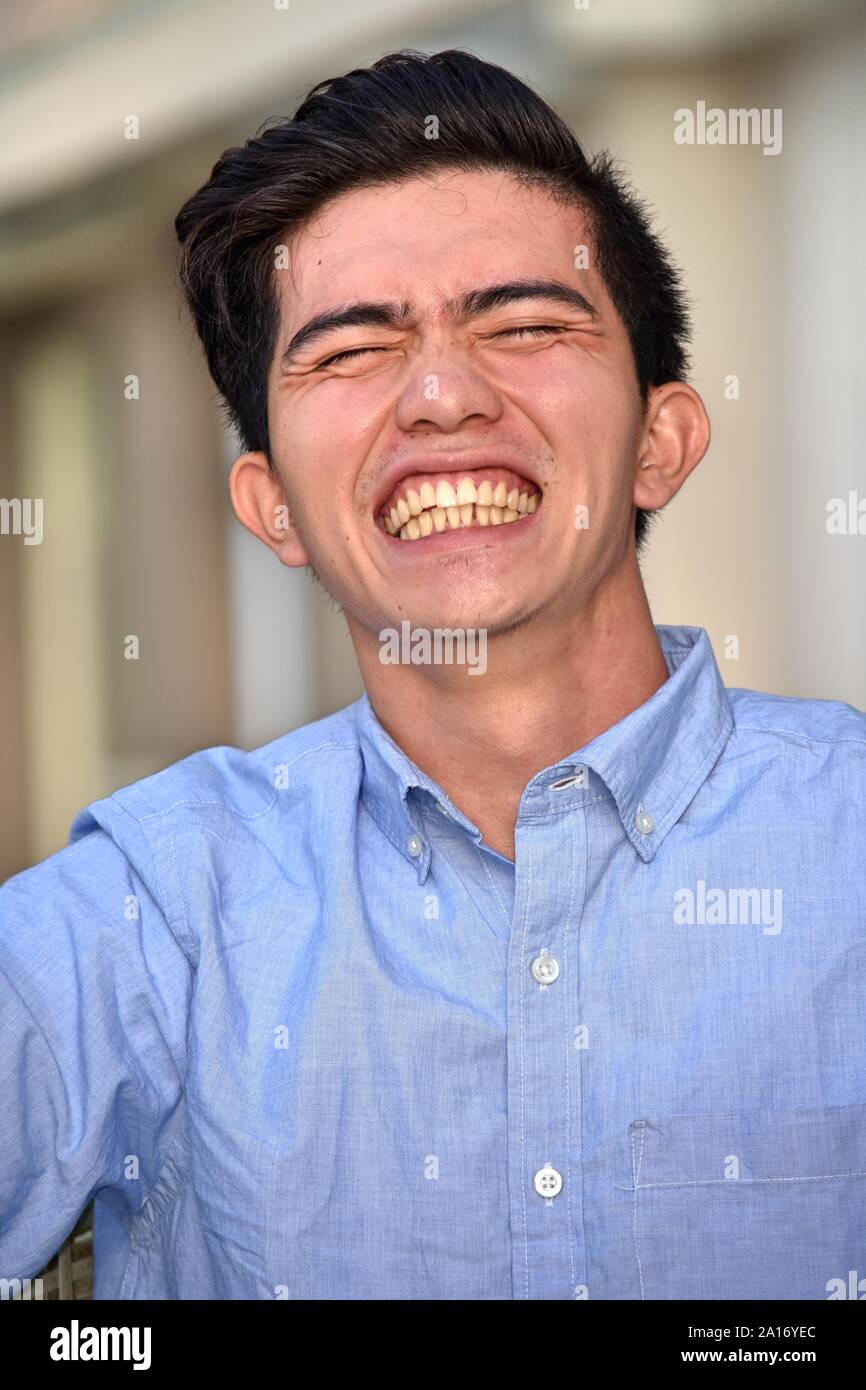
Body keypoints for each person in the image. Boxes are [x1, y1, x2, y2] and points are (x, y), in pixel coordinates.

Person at [1, 49, 864, 1303]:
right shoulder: (154, 913)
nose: (444, 395)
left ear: (659, 442)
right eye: (351, 351)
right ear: (273, 507)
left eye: (521, 325)